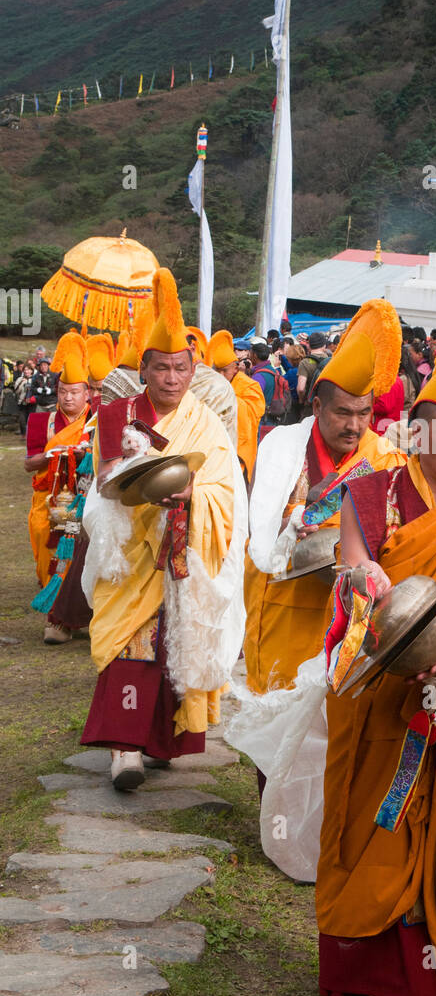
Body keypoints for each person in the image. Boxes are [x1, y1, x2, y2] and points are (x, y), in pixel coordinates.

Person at [229, 295, 436, 996]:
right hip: (379, 702)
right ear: (418, 430)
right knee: (375, 838)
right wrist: (370, 588)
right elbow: (359, 576)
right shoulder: (372, 495)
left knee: (435, 854)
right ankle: (386, 980)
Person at [79, 269, 247, 791]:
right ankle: (124, 750)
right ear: (144, 369)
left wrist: (194, 495)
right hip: (131, 549)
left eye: (180, 368)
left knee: (175, 643)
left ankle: (162, 741)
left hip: (185, 547)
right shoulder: (117, 416)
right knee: (130, 643)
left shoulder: (207, 423)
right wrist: (135, 479)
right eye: (160, 368)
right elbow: (104, 480)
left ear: (192, 369)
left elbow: (226, 490)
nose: (171, 379)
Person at [241, 300, 405, 711]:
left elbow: (400, 536)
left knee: (338, 735)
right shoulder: (283, 448)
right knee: (278, 727)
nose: (354, 426)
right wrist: (298, 517)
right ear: (316, 408)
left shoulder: (386, 459)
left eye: (364, 413)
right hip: (287, 607)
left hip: (353, 615)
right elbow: (256, 534)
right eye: (343, 413)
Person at [24, 333, 92, 643]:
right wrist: (47, 457)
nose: (67, 398)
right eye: (63, 391)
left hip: (82, 497)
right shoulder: (43, 421)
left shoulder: (96, 421)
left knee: (77, 552)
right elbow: (28, 464)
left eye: (74, 392)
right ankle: (55, 610)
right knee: (47, 547)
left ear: (87, 393)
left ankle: (71, 615)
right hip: (48, 497)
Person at [205, 330, 266, 482]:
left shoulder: (250, 385)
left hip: (241, 451)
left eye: (224, 370)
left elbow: (254, 413)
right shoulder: (210, 385)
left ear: (236, 368)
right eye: (216, 370)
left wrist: (226, 398)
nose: (220, 375)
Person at [296, 333, 332, 416]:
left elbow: (301, 388)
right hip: (327, 405)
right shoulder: (331, 361)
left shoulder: (305, 362)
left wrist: (301, 400)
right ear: (324, 346)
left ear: (309, 345)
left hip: (310, 405)